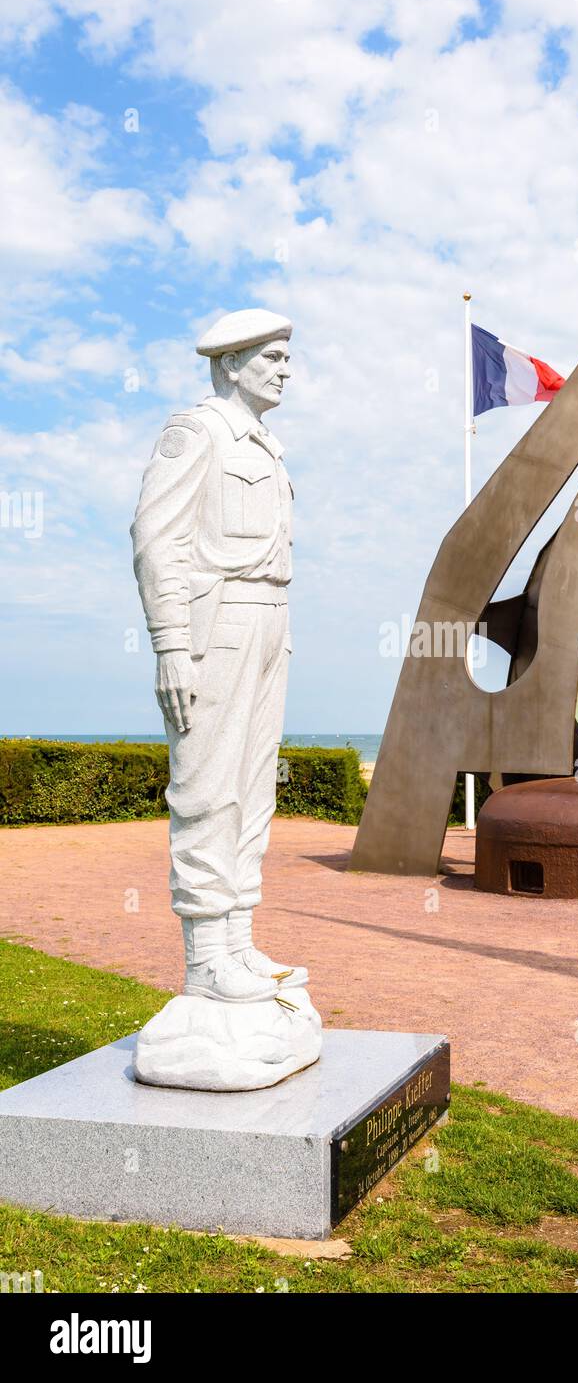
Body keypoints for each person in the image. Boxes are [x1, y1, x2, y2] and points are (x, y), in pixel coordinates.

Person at [131, 308, 305, 1002]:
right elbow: (155, 539)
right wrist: (170, 644)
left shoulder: (267, 445)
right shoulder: (196, 432)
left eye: (286, 358)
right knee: (208, 788)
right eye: (270, 357)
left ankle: (237, 941)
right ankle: (206, 960)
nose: (284, 370)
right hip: (216, 623)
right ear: (229, 364)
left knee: (254, 786)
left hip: (270, 620)